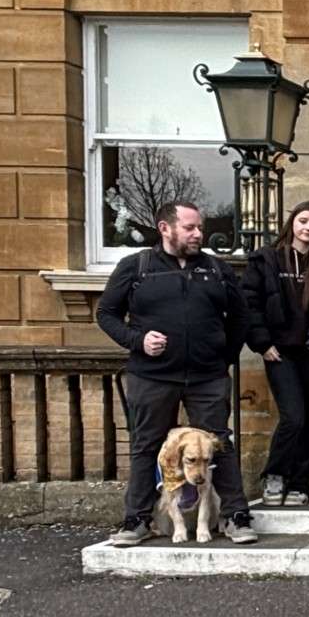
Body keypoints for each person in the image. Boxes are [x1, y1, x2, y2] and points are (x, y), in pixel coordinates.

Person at [97, 200, 257, 546]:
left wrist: (222, 357)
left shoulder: (217, 270)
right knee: (146, 445)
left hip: (207, 376)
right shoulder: (136, 267)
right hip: (152, 375)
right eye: (189, 228)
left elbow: (241, 318)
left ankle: (235, 516)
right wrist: (137, 340)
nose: (198, 233)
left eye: (199, 227)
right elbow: (106, 314)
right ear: (165, 228)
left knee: (220, 443)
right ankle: (137, 520)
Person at [243, 201, 309, 506]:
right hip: (280, 352)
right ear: (292, 222)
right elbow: (250, 304)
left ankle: (300, 482)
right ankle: (276, 473)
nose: (308, 228)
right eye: (303, 221)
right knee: (293, 416)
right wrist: (262, 344)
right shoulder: (267, 259)